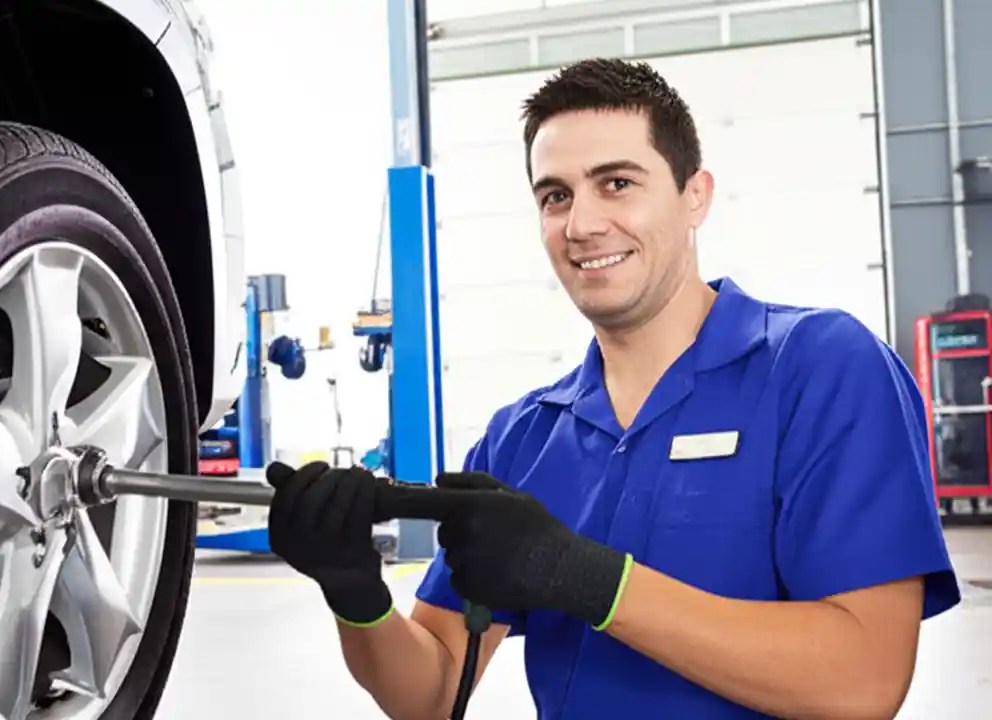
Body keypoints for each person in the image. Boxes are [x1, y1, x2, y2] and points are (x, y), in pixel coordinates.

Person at [263, 57, 960, 719]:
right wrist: (355, 593)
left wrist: (586, 578)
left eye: (617, 183)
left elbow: (863, 681)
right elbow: (433, 694)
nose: (583, 224)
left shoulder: (821, 367)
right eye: (555, 196)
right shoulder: (523, 437)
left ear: (695, 196)